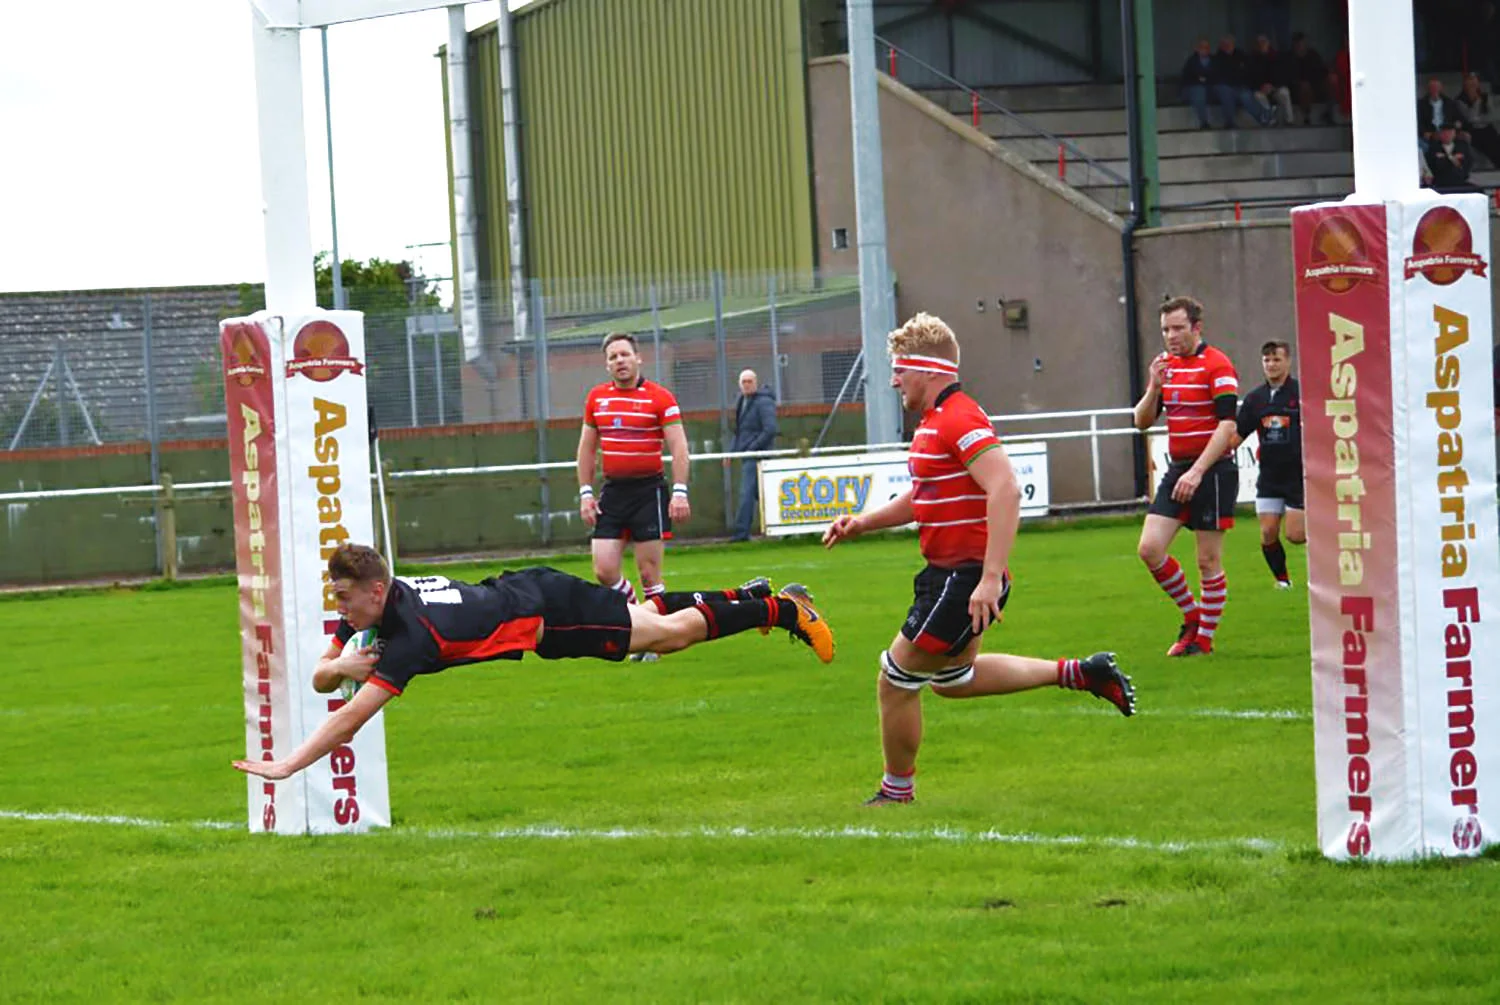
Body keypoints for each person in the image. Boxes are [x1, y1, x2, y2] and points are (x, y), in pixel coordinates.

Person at [822, 312, 1135, 807]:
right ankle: (1081, 672)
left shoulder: (959, 416)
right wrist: (863, 522)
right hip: (945, 576)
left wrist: (988, 579)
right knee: (953, 681)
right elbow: (922, 497)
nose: (893, 379)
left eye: (900, 369)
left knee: (894, 678)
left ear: (926, 370)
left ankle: (895, 793)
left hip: (962, 578)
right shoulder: (932, 423)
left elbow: (1005, 487)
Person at [232, 543, 835, 783]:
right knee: (650, 623)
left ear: (372, 589)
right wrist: (339, 668)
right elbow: (321, 676)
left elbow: (348, 721)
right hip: (531, 604)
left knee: (666, 638)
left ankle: (777, 610)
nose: (337, 608)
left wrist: (288, 765)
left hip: (549, 612)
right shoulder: (372, 609)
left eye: (342, 596)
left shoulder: (410, 636)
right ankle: (748, 596)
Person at [1133, 296, 1240, 658]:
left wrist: (1198, 471)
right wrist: (1153, 387)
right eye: (1165, 329)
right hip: (1179, 469)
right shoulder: (1165, 367)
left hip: (1211, 471)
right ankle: (1193, 616)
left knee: (1208, 560)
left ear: (1197, 327)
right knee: (1149, 549)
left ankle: (1203, 641)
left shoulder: (1218, 364)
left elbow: (1228, 425)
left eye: (1178, 328)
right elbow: (1141, 422)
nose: (1171, 336)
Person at [576, 332, 690, 615]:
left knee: (649, 574)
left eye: (625, 354)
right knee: (603, 570)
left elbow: (679, 446)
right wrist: (585, 494)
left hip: (648, 492)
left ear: (638, 358)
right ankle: (639, 616)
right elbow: (587, 450)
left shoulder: (660, 397)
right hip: (613, 492)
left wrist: (680, 492)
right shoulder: (597, 398)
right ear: (607, 365)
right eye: (613, 357)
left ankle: (658, 636)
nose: (619, 361)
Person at [1234, 341, 1304, 589]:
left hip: (1298, 476)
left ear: (1288, 361)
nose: (1271, 365)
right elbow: (1237, 435)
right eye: (1267, 360)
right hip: (1269, 477)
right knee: (1267, 533)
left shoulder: (1301, 393)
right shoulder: (1256, 399)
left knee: (1296, 536)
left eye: (1276, 359)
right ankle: (1283, 581)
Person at [728, 368, 778, 542]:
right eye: (744, 382)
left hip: (759, 456)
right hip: (747, 455)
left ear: (756, 382)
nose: (747, 385)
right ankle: (782, 529)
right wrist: (730, 452)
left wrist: (753, 448)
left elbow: (770, 429)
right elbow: (739, 430)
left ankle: (741, 533)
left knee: (747, 493)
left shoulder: (764, 402)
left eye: (750, 381)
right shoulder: (742, 401)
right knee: (762, 494)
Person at [1455, 72, 1500, 169]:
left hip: (1487, 128)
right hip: (1472, 130)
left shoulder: (1486, 96)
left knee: (1495, 141)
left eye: (1475, 83)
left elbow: (1492, 115)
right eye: (1470, 83)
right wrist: (1477, 101)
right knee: (1481, 142)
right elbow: (1469, 118)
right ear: (1465, 85)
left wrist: (1479, 119)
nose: (1473, 86)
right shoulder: (1460, 100)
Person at [1248, 34, 1294, 125]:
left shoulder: (1277, 57)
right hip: (1261, 89)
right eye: (1259, 44)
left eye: (1264, 43)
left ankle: (1289, 120)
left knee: (1285, 92)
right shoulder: (1253, 59)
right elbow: (1252, 78)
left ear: (1268, 44)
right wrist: (1261, 86)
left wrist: (1273, 86)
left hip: (1276, 87)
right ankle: (1271, 119)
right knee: (1258, 96)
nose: (1262, 45)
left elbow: (1283, 75)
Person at [1428, 120, 1479, 193]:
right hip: (1441, 183)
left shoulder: (1462, 146)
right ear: (1440, 134)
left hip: (1459, 181)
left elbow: (1468, 162)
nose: (1447, 135)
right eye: (1444, 133)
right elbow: (1432, 165)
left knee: (1477, 190)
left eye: (1450, 132)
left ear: (1454, 134)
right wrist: (1448, 159)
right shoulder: (1434, 148)